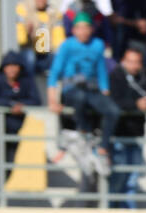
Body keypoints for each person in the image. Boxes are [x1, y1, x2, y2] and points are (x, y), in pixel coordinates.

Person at [48, 12, 118, 175]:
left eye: (86, 28)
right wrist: (52, 99)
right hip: (71, 89)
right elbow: (53, 73)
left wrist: (104, 90)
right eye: (79, 28)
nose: (83, 32)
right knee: (79, 97)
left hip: (91, 88)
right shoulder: (66, 45)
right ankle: (82, 135)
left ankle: (102, 148)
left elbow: (101, 69)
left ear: (91, 29)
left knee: (112, 110)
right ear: (73, 30)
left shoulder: (98, 45)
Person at [0, 50, 42, 207]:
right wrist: (9, 105)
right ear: (3, 67)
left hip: (13, 131)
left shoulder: (26, 82)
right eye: (9, 66)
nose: (12, 69)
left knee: (8, 167)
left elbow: (36, 101)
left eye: (15, 66)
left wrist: (22, 106)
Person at [106, 44, 146, 208]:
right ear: (123, 61)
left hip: (138, 133)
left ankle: (128, 211)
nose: (133, 66)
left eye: (137, 62)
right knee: (118, 175)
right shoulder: (115, 76)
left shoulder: (145, 75)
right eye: (130, 61)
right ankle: (112, 209)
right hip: (119, 132)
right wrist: (135, 104)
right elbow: (114, 101)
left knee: (133, 177)